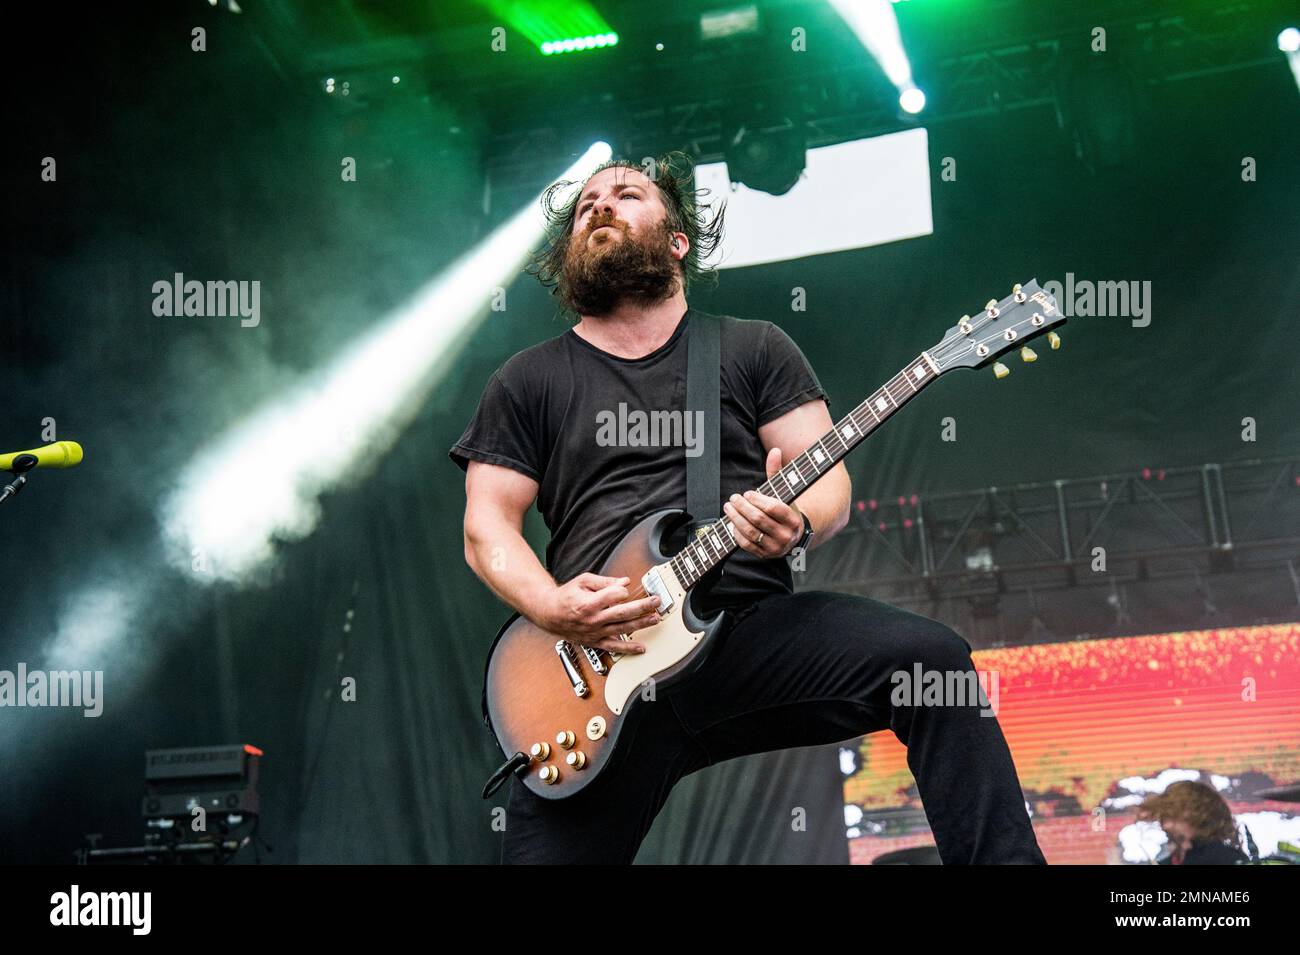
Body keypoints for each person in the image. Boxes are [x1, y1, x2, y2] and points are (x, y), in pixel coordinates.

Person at [449, 150, 1046, 865]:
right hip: (591, 669)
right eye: (585, 206)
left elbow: (827, 484)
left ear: (677, 241)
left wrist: (796, 524)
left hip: (743, 633)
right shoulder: (527, 379)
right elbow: (486, 527)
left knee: (934, 664)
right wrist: (551, 608)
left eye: (626, 194)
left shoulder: (751, 347)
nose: (599, 206)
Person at [1138, 780, 1249, 864]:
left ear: (1201, 816)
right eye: (1163, 817)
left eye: (1174, 817)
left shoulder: (1230, 859)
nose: (1165, 826)